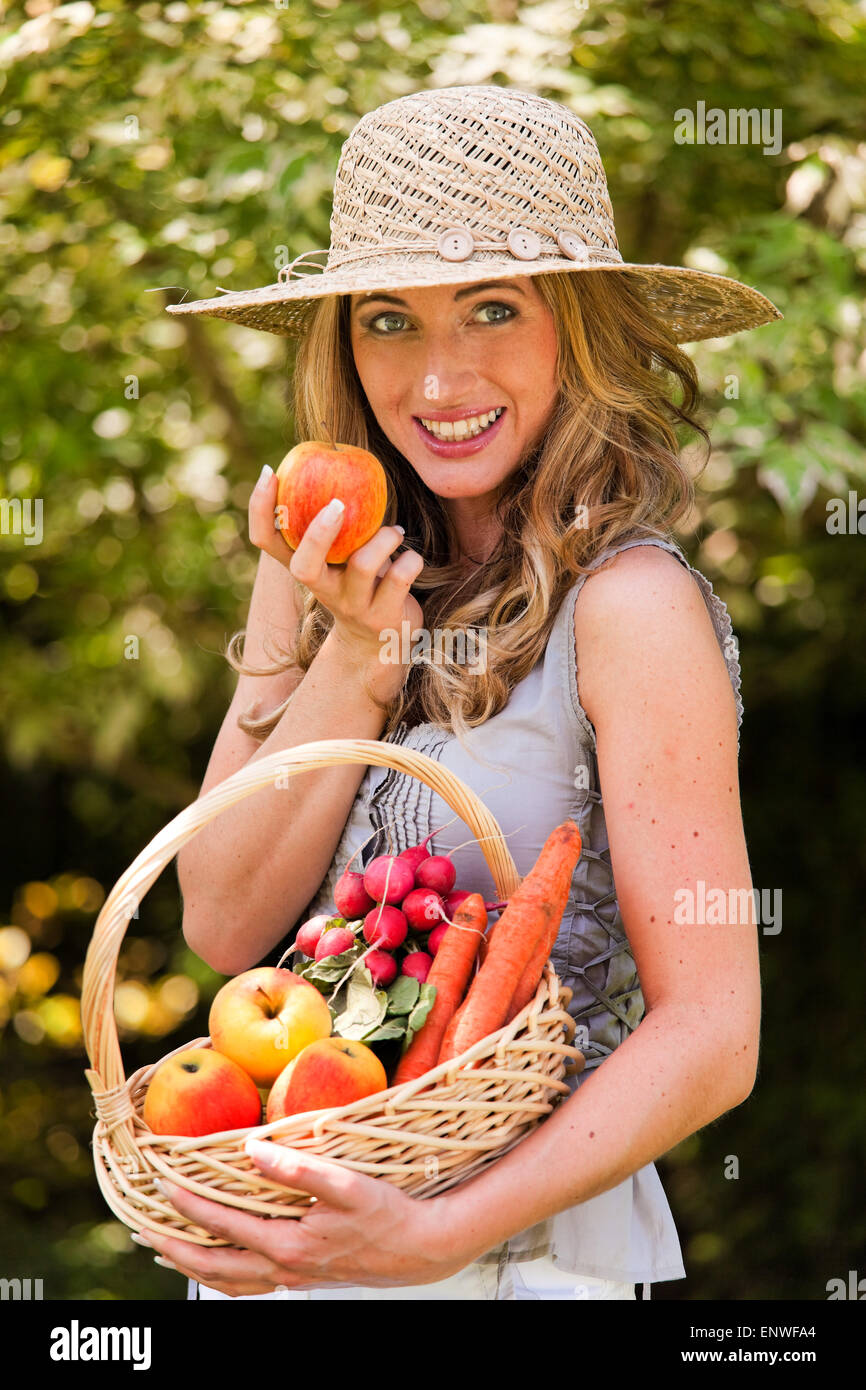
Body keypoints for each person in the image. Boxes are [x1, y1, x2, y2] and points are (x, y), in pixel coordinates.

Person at [142, 84, 780, 1300]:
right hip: (298, 1253)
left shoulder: (628, 607)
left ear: (573, 329)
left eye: (492, 309)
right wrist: (334, 637)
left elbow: (713, 1037)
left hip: (510, 1270)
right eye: (388, 319)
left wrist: (435, 1239)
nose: (438, 377)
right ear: (343, 342)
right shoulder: (338, 567)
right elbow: (221, 924)